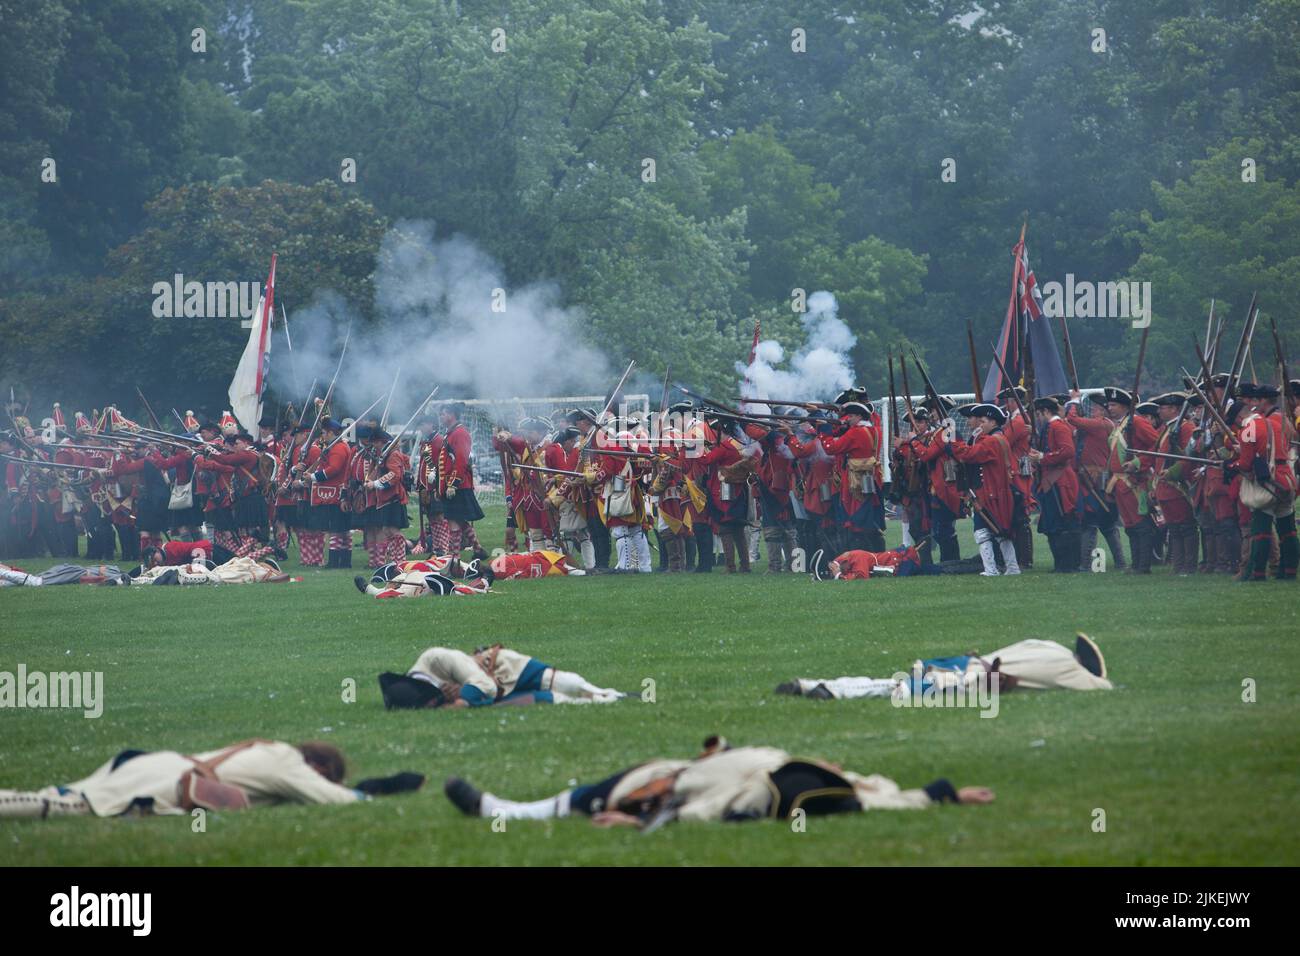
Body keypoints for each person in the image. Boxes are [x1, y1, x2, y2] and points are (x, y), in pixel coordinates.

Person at [443, 736, 993, 828]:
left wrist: (656, 818)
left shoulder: (760, 796)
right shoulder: (834, 780)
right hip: (699, 766)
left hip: (680, 784)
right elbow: (879, 791)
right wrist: (942, 794)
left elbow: (707, 811)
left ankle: (509, 813)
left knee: (616, 791)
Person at [0, 739, 422, 818]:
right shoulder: (287, 762)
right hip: (170, 780)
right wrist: (376, 792)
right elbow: (335, 800)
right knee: (67, 808)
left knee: (64, 793)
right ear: (315, 764)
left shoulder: (266, 749)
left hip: (155, 763)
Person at [775, 633, 1113, 700]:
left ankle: (813, 684)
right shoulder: (1074, 674)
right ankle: (827, 691)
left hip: (968, 663)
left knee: (891, 682)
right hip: (979, 679)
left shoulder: (1048, 645)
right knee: (895, 689)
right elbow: (1103, 688)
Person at [378, 644, 624, 708]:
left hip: (502, 669)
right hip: (492, 698)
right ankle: (598, 701)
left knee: (568, 683)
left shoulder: (435, 657)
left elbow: (483, 684)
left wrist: (462, 699)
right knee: (555, 700)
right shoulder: (415, 697)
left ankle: (609, 694)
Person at [1231, 382, 1298, 581]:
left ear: (1261, 401)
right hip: (1286, 479)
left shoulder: (1252, 425)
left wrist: (1231, 466)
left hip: (1268, 482)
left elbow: (1245, 462)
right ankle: (1289, 572)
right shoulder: (1281, 422)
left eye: (1256, 400)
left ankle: (1257, 573)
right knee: (1288, 531)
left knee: (1261, 531)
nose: (1253, 404)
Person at [948, 403, 1021, 576]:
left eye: (984, 421)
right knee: (1001, 532)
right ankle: (1012, 568)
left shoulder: (991, 441)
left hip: (990, 494)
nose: (981, 425)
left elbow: (968, 455)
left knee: (982, 532)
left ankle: (991, 569)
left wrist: (951, 439)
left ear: (993, 422)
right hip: (997, 492)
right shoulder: (999, 438)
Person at [1028, 396, 1081, 572]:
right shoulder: (1051, 427)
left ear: (1045, 412)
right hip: (1051, 480)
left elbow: (1067, 451)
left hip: (1060, 481)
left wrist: (1043, 457)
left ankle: (1068, 564)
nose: (1038, 418)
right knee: (1054, 523)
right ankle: (1062, 564)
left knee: (1062, 522)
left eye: (1038, 414)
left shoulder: (1057, 426)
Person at [435, 403, 485, 558]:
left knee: (453, 522)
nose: (441, 417)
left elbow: (461, 460)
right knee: (458, 519)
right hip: (451, 485)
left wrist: (453, 484)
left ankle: (454, 558)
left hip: (458, 485)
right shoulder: (450, 433)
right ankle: (478, 550)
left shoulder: (460, 433)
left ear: (451, 415)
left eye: (443, 414)